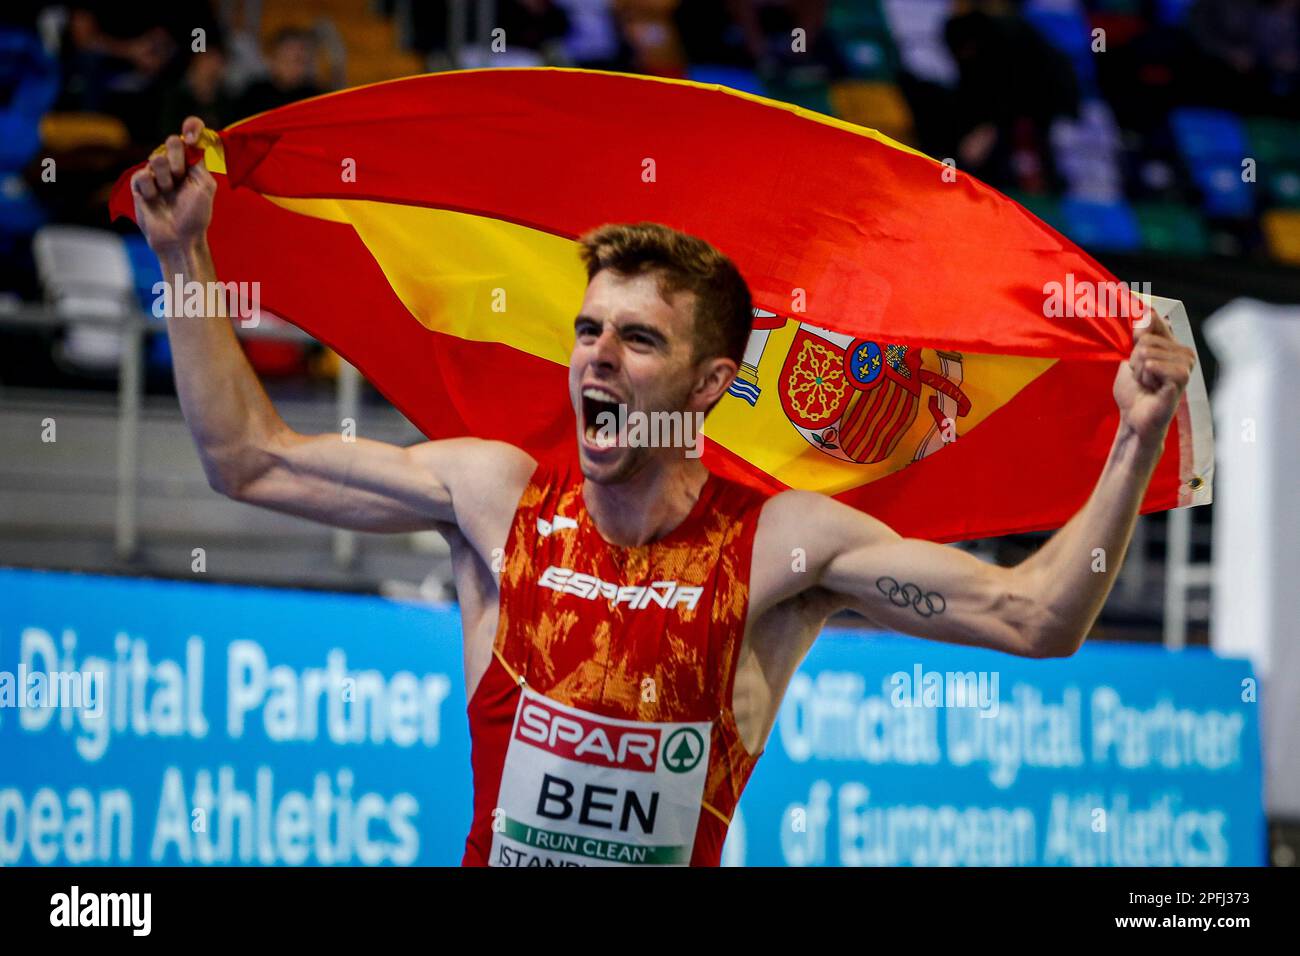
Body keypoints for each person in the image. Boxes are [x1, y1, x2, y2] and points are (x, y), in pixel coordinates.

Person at [129, 116, 1197, 867]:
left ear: (709, 383)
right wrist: (186, 255)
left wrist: (1133, 438)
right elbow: (250, 459)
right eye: (587, 330)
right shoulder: (493, 495)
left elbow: (1035, 615)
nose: (596, 357)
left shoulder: (785, 546)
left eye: (637, 338)